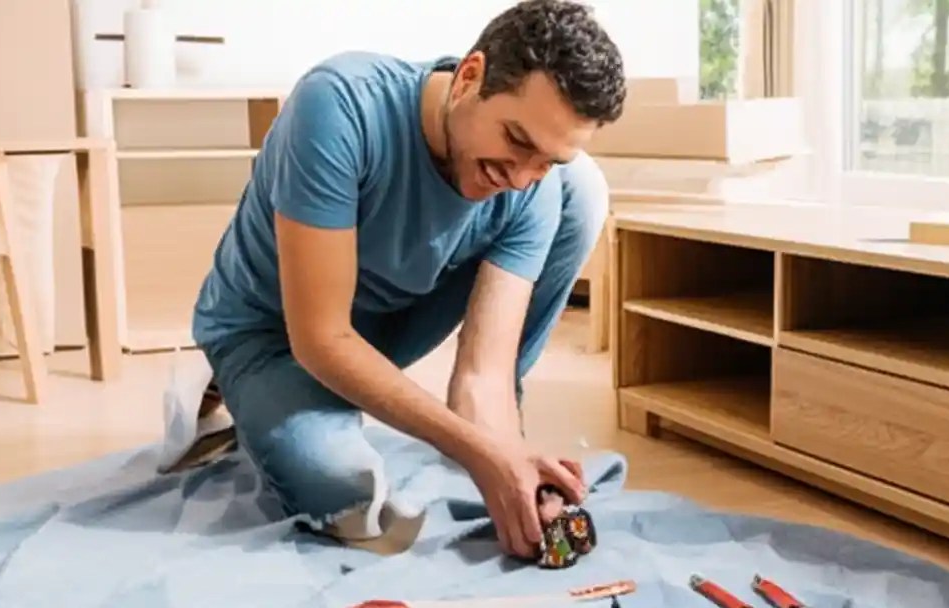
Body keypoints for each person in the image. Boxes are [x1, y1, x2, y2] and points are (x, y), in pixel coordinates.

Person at [190, 0, 627, 560]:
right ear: (469, 77)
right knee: (343, 491)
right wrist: (477, 452)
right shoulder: (338, 106)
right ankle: (241, 388)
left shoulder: (532, 184)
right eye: (516, 140)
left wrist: (508, 460)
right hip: (279, 333)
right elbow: (320, 339)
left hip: (385, 325)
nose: (520, 176)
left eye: (547, 159)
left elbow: (482, 375)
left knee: (582, 192)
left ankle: (475, 436)